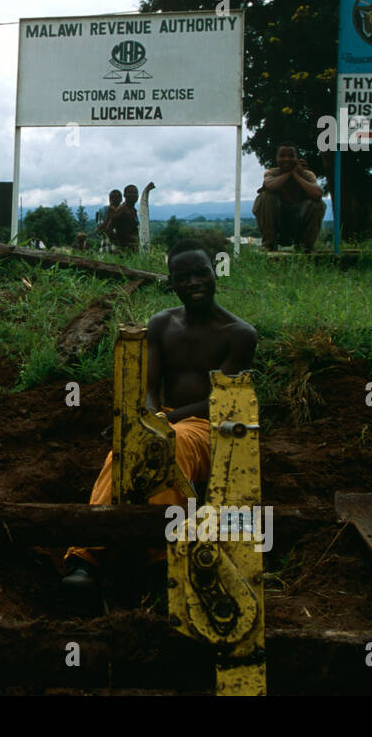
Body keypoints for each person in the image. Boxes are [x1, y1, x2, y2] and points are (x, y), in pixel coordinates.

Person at [63, 239, 257, 589]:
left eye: (201, 273)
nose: (194, 282)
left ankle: (159, 556)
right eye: (183, 277)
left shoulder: (239, 334)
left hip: (208, 424)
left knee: (172, 446)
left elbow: (220, 399)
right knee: (120, 454)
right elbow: (149, 387)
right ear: (171, 282)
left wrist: (164, 423)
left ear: (215, 273)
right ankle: (85, 556)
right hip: (163, 415)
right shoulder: (162, 323)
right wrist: (147, 419)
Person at [252, 144, 326, 252]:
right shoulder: (271, 173)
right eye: (282, 156)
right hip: (277, 222)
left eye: (291, 156)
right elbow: (271, 186)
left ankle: (305, 246)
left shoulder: (307, 175)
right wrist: (290, 173)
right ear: (277, 159)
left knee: (318, 204)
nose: (286, 159)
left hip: (298, 222)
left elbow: (318, 194)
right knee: (264, 197)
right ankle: (269, 243)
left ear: (297, 159)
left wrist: (297, 176)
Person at [109, 184, 142, 253]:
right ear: (125, 195)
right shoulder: (121, 210)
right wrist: (118, 245)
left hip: (133, 250)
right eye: (130, 193)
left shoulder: (133, 210)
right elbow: (109, 229)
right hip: (124, 251)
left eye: (135, 193)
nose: (133, 195)